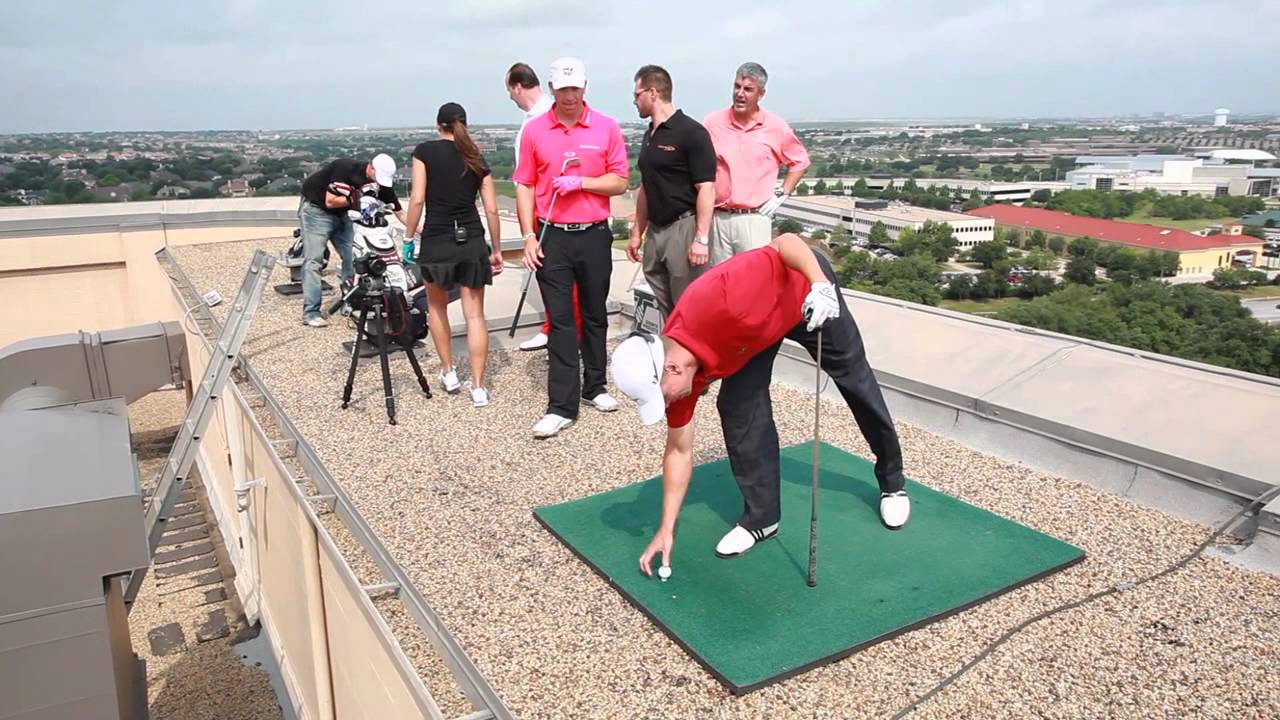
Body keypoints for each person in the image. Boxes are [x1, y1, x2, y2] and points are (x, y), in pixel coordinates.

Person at [609, 233, 910, 575]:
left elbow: (786, 243)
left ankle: (893, 484)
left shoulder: (720, 297)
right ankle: (762, 519)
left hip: (804, 292)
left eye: (662, 396)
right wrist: (666, 529)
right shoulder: (677, 378)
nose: (667, 403)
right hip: (754, 333)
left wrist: (820, 285)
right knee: (738, 406)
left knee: (855, 381)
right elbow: (679, 451)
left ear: (672, 368)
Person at [516, 57, 629, 438]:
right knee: (561, 321)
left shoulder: (607, 126)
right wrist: (528, 236)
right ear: (551, 89)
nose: (568, 96)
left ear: (585, 88)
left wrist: (582, 182)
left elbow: (619, 182)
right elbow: (525, 185)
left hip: (594, 232)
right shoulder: (535, 131)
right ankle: (561, 406)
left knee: (595, 313)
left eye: (574, 89)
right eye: (562, 89)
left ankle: (594, 386)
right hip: (553, 235)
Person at [403, 103, 504, 407]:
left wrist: (408, 237)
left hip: (436, 239)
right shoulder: (476, 157)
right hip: (472, 240)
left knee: (437, 307)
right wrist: (497, 249)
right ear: (464, 124)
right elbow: (492, 209)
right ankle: (478, 387)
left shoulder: (425, 151)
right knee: (475, 315)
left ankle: (448, 372)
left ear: (438, 125)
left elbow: (418, 199)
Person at [627, 64, 717, 320]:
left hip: (683, 228)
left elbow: (706, 188)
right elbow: (647, 185)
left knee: (688, 307)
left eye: (637, 94)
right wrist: (637, 233)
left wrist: (701, 239)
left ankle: (695, 359)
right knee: (666, 307)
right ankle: (671, 356)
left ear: (653, 93)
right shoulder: (650, 135)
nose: (634, 101)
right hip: (656, 231)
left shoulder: (691, 133)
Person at [506, 61, 584, 352]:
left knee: (563, 278)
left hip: (555, 210)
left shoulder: (547, 116)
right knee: (549, 275)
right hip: (539, 208)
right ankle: (555, 326)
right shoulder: (532, 119)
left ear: (517, 86)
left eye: (510, 91)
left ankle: (565, 331)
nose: (510, 97)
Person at [703, 62, 811, 265]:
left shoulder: (775, 127)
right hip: (717, 217)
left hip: (754, 218)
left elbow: (800, 161)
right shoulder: (712, 122)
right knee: (717, 283)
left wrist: (782, 193)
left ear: (761, 94)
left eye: (748, 89)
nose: (740, 94)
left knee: (752, 282)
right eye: (737, 87)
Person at [298, 154, 400, 326]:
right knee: (314, 261)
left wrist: (419, 231)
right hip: (316, 211)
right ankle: (311, 312)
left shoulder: (378, 184)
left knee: (353, 258)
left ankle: (350, 301)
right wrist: (356, 198)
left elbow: (399, 210)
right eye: (378, 176)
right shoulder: (345, 168)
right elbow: (330, 201)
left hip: (344, 214)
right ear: (371, 167)